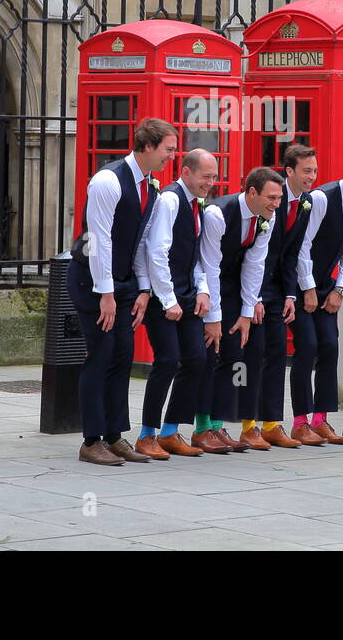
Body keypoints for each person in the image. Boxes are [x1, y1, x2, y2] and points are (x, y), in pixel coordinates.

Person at [67, 118, 177, 466]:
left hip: (125, 284)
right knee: (100, 356)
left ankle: (114, 436)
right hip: (93, 282)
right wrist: (106, 294)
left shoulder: (152, 187)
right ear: (148, 146)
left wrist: (144, 289)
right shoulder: (107, 181)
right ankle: (90, 440)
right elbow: (99, 240)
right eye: (168, 149)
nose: (171, 157)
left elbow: (142, 242)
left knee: (123, 357)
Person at [192, 166, 284, 453]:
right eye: (271, 197)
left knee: (233, 353)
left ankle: (218, 427)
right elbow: (209, 265)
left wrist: (246, 312)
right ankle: (200, 428)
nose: (276, 203)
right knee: (209, 355)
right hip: (206, 286)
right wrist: (213, 318)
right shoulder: (218, 214)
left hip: (233, 284)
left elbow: (255, 264)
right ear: (252, 192)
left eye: (280, 198)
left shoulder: (268, 217)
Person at [136, 148, 219, 459]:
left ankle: (170, 431)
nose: (211, 182)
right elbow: (155, 251)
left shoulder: (195, 204)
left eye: (214, 176)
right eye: (205, 176)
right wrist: (169, 300)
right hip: (163, 298)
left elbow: (194, 255)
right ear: (186, 172)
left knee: (196, 360)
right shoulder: (171, 200)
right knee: (168, 360)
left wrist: (203, 290)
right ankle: (147, 434)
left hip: (186, 296)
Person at [290, 150, 343, 446]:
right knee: (308, 346)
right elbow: (302, 245)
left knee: (330, 346)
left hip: (328, 284)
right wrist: (309, 288)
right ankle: (300, 422)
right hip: (300, 281)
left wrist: (340, 289)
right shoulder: (321, 199)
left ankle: (321, 419)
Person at [237, 144, 319, 450]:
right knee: (253, 355)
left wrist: (290, 294)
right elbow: (252, 256)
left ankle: (271, 423)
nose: (312, 177)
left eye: (314, 170)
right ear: (289, 172)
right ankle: (248, 426)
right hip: (253, 286)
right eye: (306, 171)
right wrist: (253, 297)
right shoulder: (271, 200)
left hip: (277, 289)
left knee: (275, 354)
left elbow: (291, 253)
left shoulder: (306, 203)